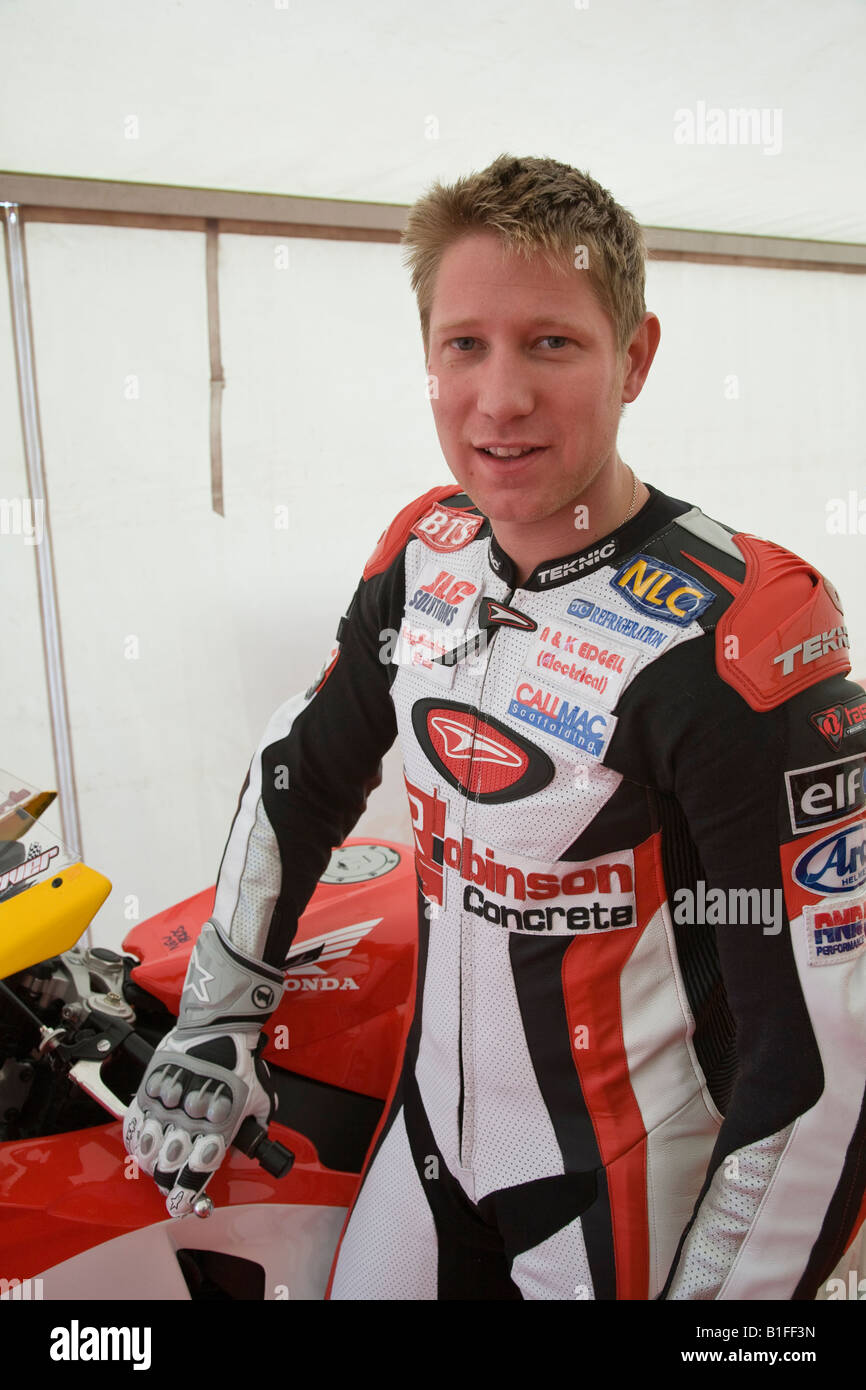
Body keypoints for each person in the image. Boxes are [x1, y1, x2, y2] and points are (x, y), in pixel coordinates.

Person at [123, 154, 866, 1300]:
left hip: (624, 1179)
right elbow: (300, 779)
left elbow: (826, 1053)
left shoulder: (741, 632)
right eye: (464, 344)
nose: (499, 397)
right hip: (434, 1151)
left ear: (634, 357)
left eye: (550, 343)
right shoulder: (423, 551)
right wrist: (221, 1013)